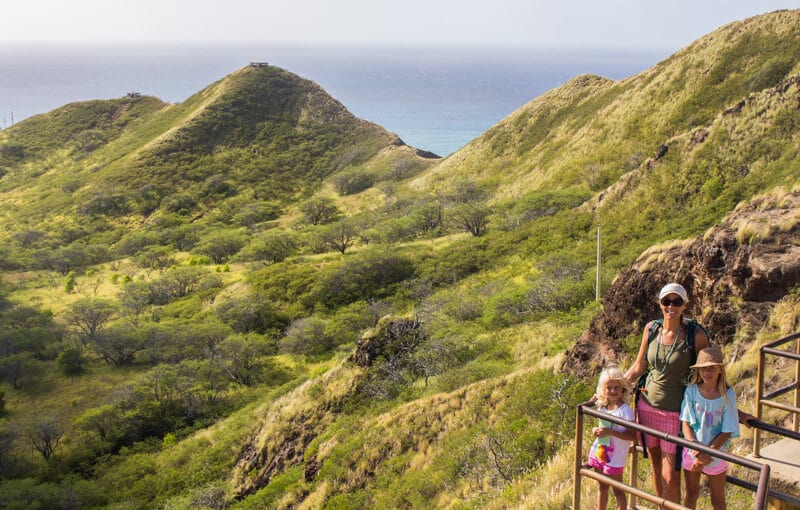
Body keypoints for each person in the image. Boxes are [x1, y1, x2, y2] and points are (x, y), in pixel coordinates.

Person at [624, 283, 709, 505]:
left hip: (675, 413)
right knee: (656, 466)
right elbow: (639, 366)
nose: (671, 306)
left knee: (671, 475)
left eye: (677, 302)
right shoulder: (651, 329)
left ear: (685, 304)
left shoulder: (695, 335)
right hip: (646, 406)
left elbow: (709, 372)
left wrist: (730, 406)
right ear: (660, 303)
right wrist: (610, 387)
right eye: (666, 301)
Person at [680, 347, 740, 510]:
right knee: (691, 494)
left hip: (716, 454)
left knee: (718, 500)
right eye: (704, 368)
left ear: (720, 370)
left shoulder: (728, 395)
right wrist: (697, 453)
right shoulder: (691, 391)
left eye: (712, 368)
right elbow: (686, 423)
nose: (707, 372)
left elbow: (726, 431)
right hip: (693, 451)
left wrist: (706, 455)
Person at [586, 366, 636, 510]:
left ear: (623, 389)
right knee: (602, 486)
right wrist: (596, 430)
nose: (613, 391)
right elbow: (602, 426)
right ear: (603, 389)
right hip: (601, 451)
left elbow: (633, 436)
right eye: (609, 388)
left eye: (616, 387)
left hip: (616, 457)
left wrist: (611, 432)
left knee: (618, 490)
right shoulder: (603, 406)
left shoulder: (626, 412)